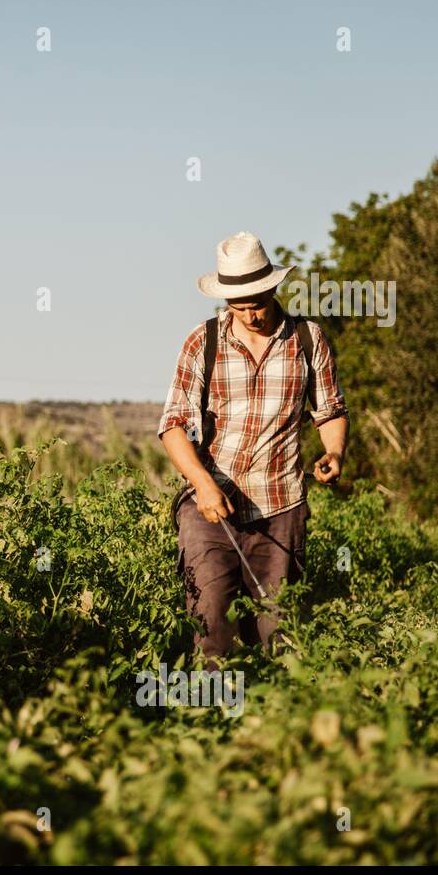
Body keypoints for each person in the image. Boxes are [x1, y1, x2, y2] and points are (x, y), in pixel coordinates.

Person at [157, 231, 349, 661]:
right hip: (211, 506)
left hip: (280, 506)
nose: (250, 315)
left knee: (279, 635)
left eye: (257, 303)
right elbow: (173, 426)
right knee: (210, 625)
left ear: (274, 289)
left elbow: (330, 411)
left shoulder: (308, 339)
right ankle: (211, 717)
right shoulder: (201, 342)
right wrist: (203, 485)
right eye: (238, 306)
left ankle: (272, 723)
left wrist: (334, 454)